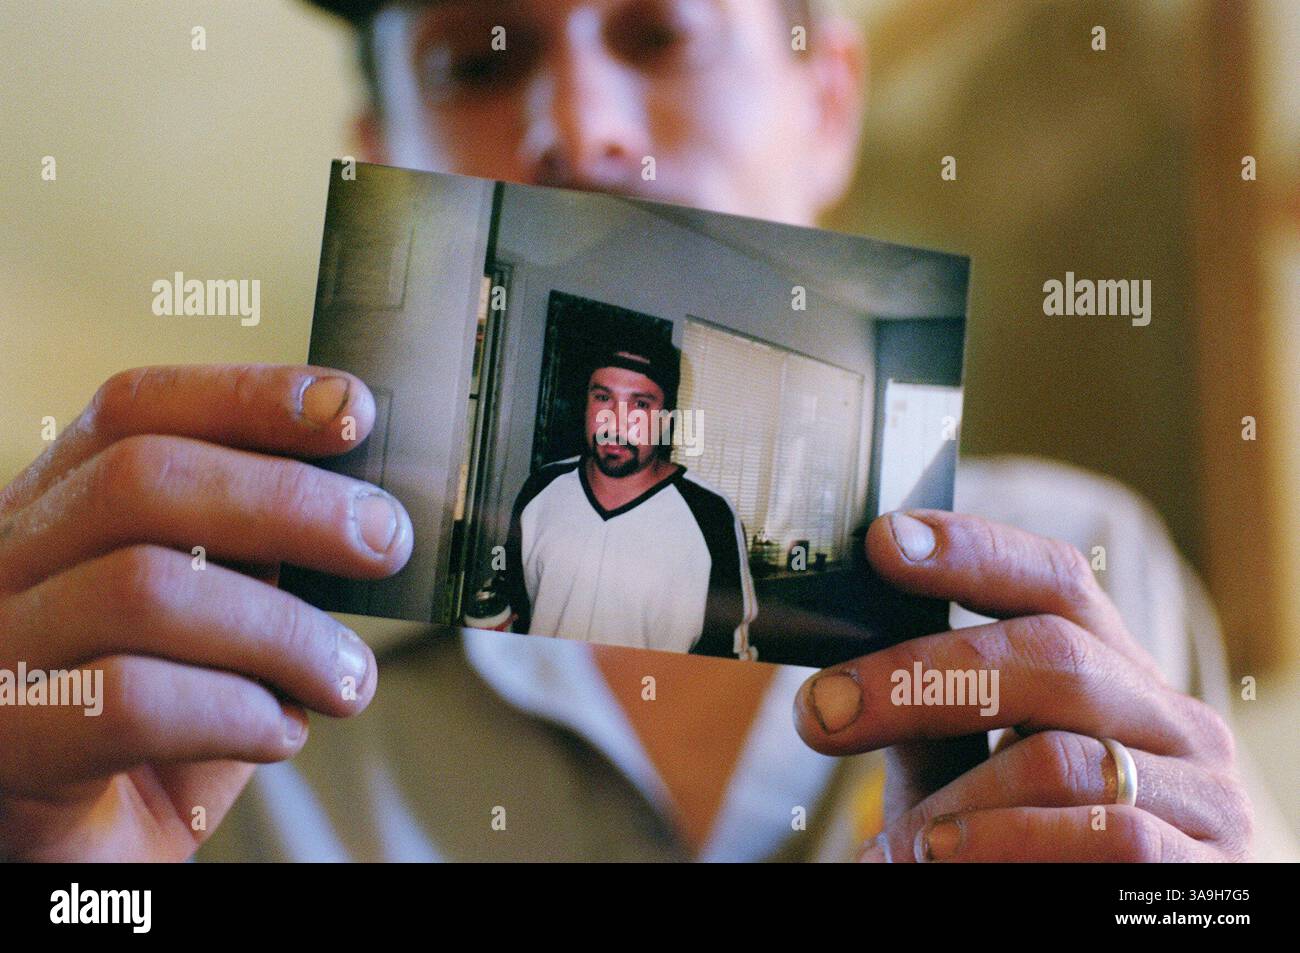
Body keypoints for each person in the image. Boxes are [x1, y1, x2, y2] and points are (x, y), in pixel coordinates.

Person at [1, 0, 1286, 862]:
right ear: (385, 153)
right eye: (480, 60)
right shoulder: (198, 692)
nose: (579, 128)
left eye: (660, 31)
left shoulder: (1092, 562)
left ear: (826, 107)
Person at [503, 341, 757, 658]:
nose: (616, 422)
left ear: (666, 419)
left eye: (640, 404)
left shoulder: (710, 514)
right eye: (602, 398)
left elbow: (728, 656)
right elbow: (512, 602)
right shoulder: (541, 488)